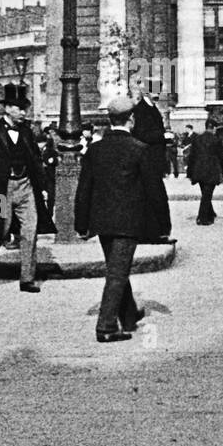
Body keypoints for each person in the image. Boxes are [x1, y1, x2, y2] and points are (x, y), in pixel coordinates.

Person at [74, 94, 172, 343]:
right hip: (128, 221)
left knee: (118, 267)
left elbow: (84, 189)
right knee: (117, 273)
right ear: (131, 119)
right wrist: (163, 225)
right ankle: (106, 326)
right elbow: (154, 191)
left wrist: (81, 224)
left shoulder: (95, 150)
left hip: (101, 221)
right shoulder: (140, 149)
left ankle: (129, 315)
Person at [0, 83, 55, 292]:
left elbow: (36, 161)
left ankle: (27, 278)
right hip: (1, 191)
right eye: (19, 108)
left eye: (24, 108)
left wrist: (43, 187)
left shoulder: (27, 132)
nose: (23, 112)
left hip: (26, 188)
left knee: (30, 230)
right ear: (7, 108)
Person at [186, 117, 223, 225]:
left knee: (205, 192)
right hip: (211, 170)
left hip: (198, 169)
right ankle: (202, 217)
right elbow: (222, 156)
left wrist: (189, 172)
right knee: (207, 194)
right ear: (213, 128)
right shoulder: (216, 140)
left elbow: (192, 157)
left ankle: (210, 212)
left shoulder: (197, 139)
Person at [130, 90, 167, 177]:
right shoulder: (140, 109)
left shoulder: (152, 107)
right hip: (147, 159)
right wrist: (162, 136)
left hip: (155, 157)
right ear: (146, 93)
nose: (157, 95)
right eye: (154, 92)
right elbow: (141, 135)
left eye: (158, 92)